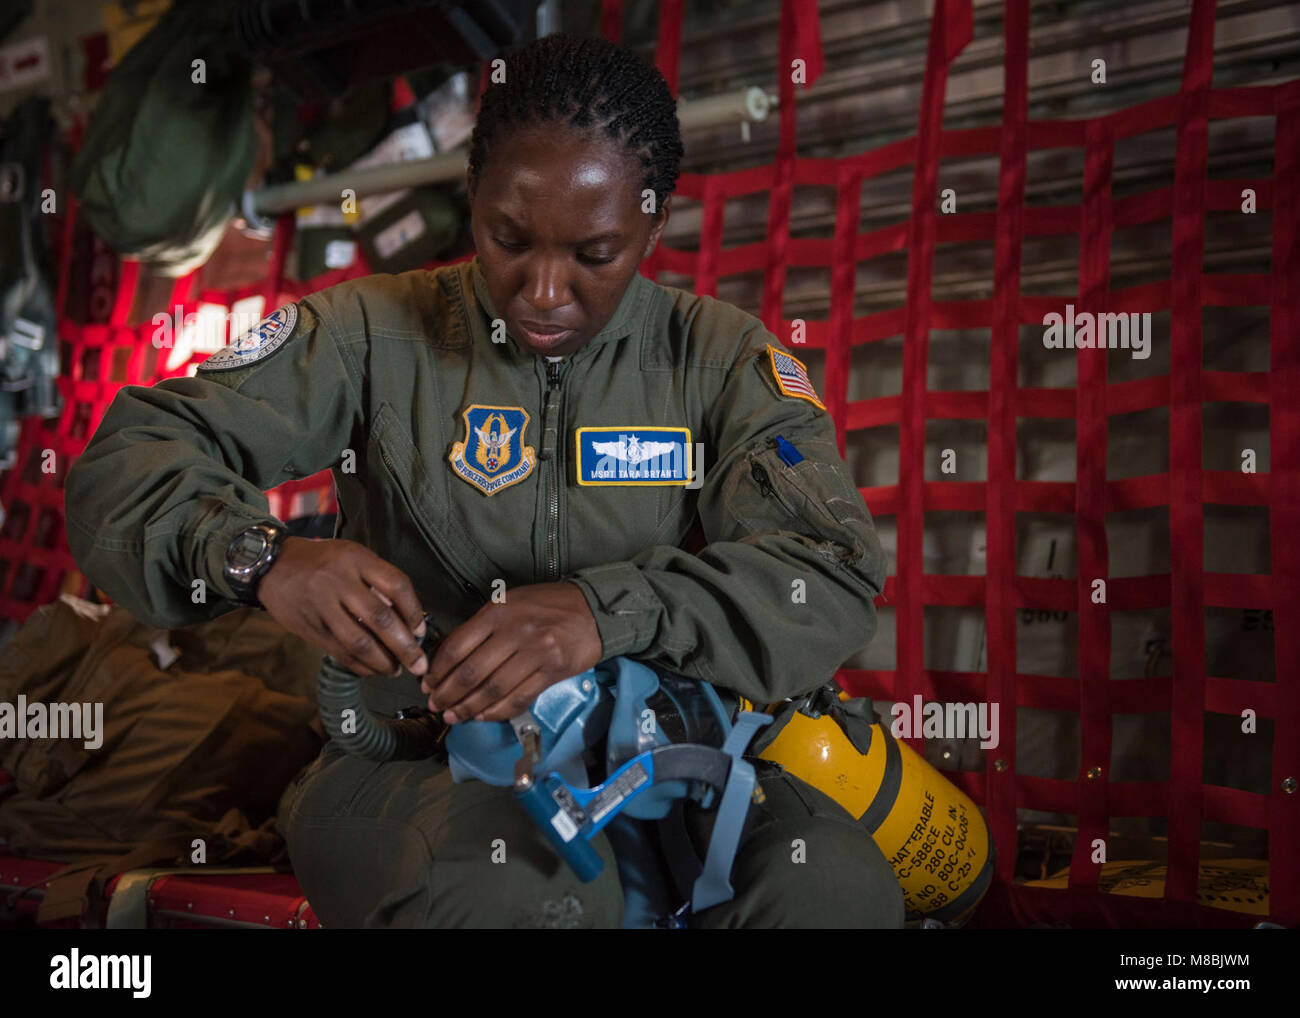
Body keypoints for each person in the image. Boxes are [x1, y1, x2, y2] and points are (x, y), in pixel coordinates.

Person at [65, 32, 903, 929]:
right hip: (410, 772)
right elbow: (129, 456)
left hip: (671, 762)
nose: (542, 291)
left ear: (654, 226)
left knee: (836, 891)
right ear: (470, 196)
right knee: (528, 894)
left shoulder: (721, 360)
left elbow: (833, 571)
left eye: (594, 254)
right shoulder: (369, 333)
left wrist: (601, 614)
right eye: (509, 237)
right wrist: (261, 558)